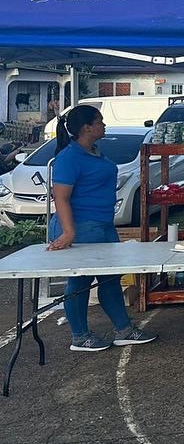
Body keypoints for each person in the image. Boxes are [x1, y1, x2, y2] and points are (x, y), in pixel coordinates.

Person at [46, 106, 157, 352]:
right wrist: (68, 232)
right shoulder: (69, 157)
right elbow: (61, 197)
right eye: (100, 122)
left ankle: (124, 330)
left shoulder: (94, 151)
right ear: (87, 127)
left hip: (104, 225)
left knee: (110, 279)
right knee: (80, 282)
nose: (104, 126)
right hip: (81, 227)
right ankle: (79, 336)